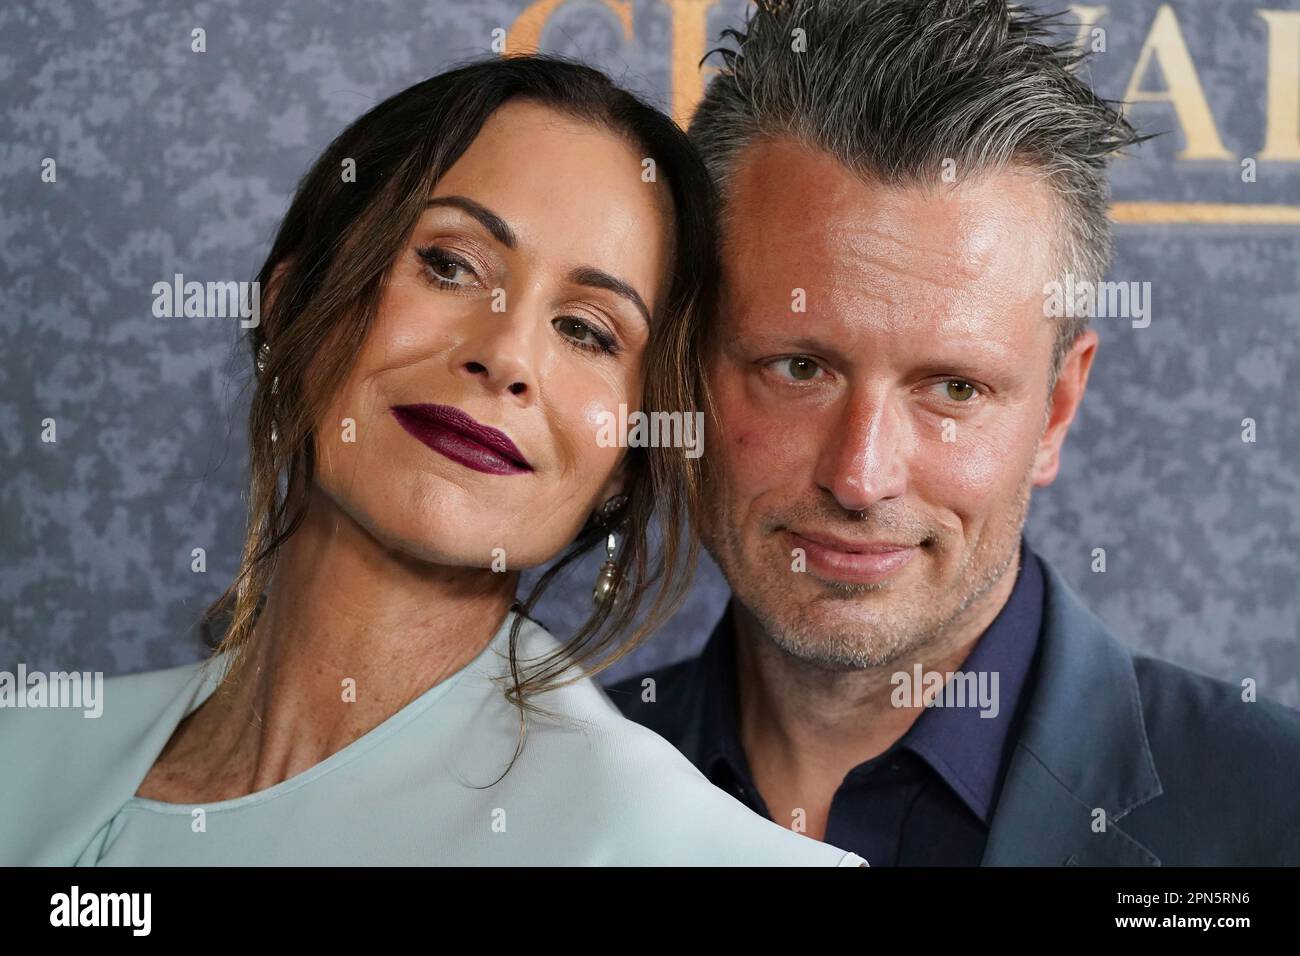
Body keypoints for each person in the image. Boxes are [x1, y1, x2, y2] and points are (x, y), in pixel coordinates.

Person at [0, 55, 865, 867]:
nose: (509, 355)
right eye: (449, 265)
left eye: (588, 331)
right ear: (292, 302)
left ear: (627, 467)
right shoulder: (24, 747)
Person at [608, 0, 1300, 865]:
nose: (860, 477)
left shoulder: (1276, 813)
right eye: (798, 369)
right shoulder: (542, 795)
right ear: (687, 365)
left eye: (955, 388)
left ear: (1055, 410)